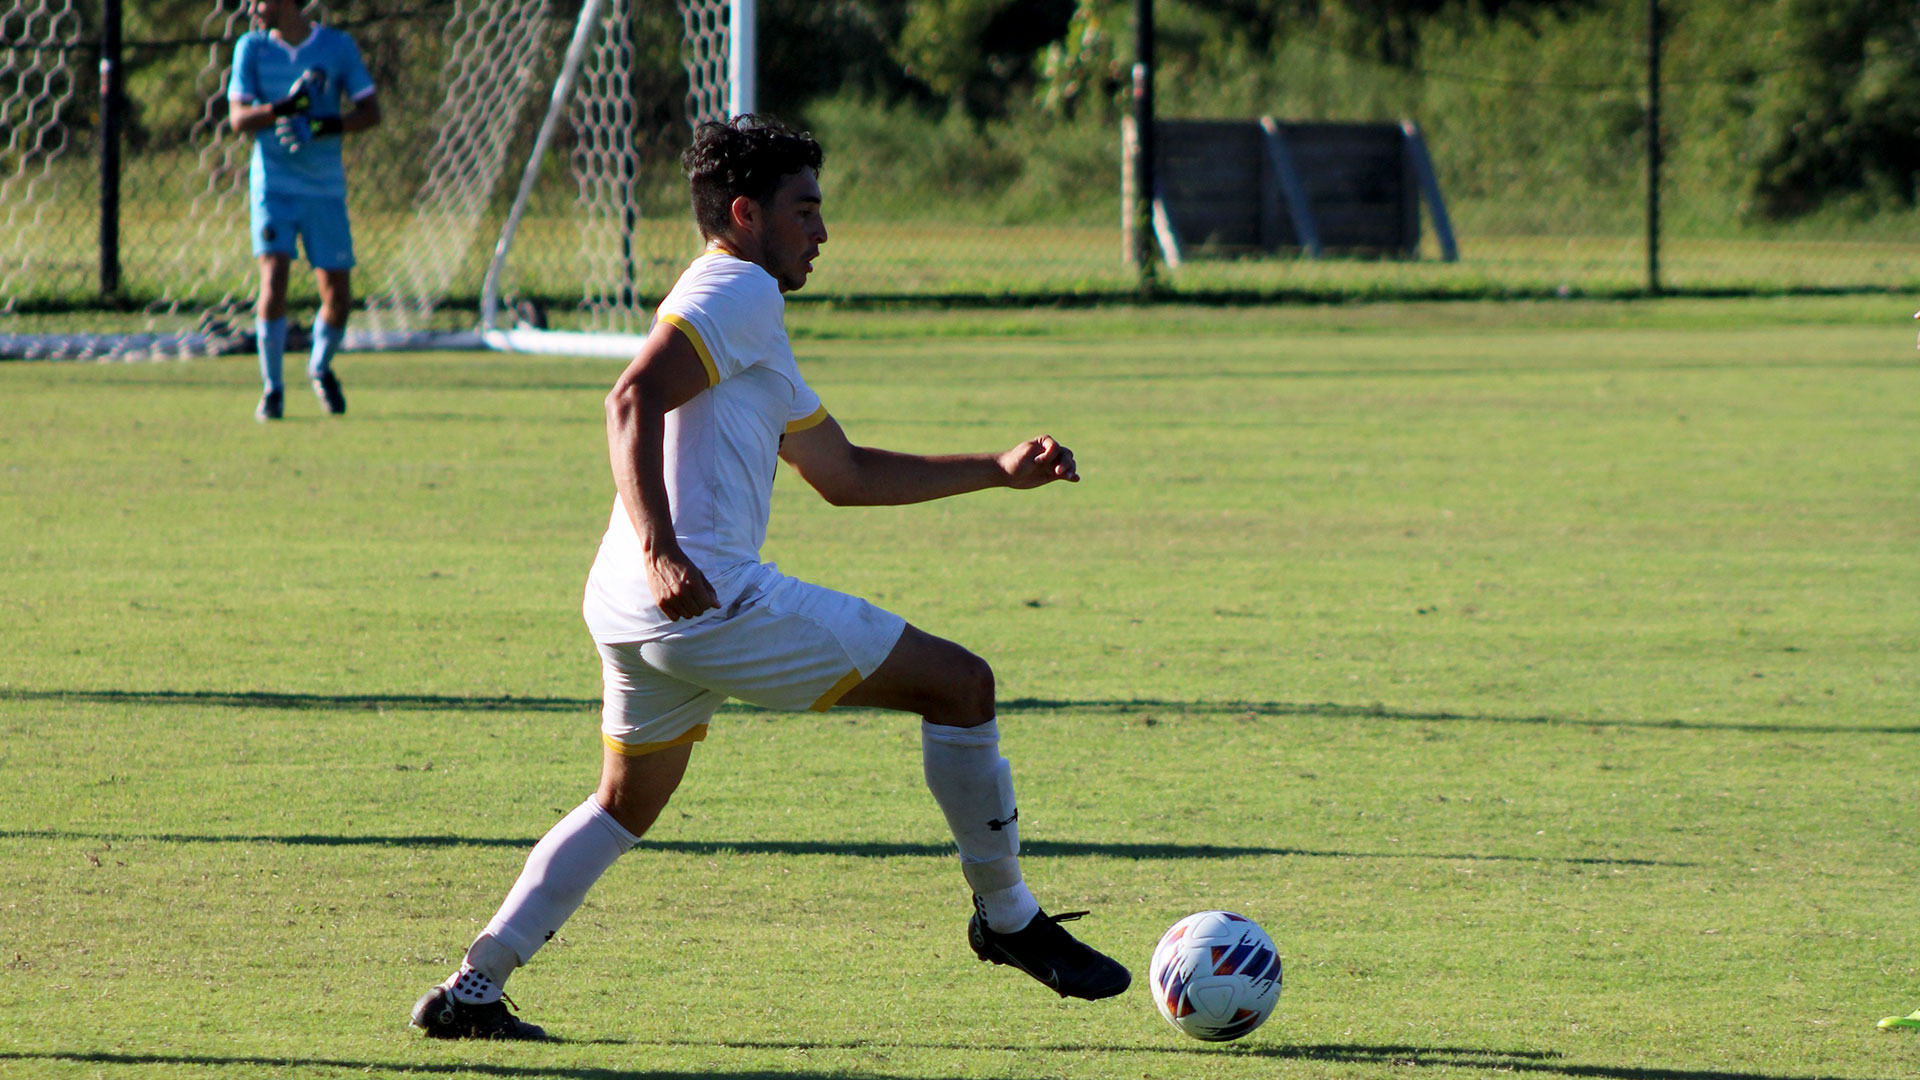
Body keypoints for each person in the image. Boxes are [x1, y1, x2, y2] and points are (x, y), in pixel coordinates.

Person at [409, 115, 1130, 1040]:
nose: (822, 232)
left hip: (631, 607)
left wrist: (996, 468)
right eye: (806, 209)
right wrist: (667, 548)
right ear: (746, 215)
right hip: (702, 597)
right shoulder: (735, 288)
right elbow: (627, 397)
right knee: (962, 686)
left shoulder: (745, 320)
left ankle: (472, 989)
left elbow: (847, 476)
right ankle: (1010, 919)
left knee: (621, 807)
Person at [226, 0, 381, 421]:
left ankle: (319, 366)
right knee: (273, 280)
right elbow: (238, 119)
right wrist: (282, 109)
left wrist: (317, 126)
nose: (251, 6)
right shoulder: (251, 48)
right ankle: (272, 389)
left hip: (324, 188)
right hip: (273, 186)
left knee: (338, 296)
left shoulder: (337, 47)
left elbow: (371, 112)